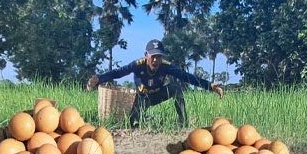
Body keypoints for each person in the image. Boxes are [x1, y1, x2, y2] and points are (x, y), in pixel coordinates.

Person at [85, 40, 224, 126]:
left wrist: (210, 86)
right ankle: (143, 119)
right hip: (141, 99)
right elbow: (118, 72)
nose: (155, 60)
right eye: (153, 56)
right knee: (133, 122)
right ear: (146, 55)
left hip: (158, 95)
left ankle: (183, 122)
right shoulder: (137, 65)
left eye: (159, 56)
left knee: (176, 87)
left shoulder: (166, 66)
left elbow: (187, 77)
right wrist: (99, 78)